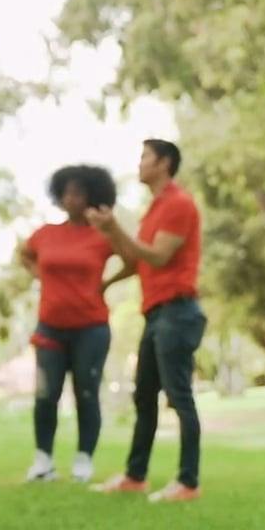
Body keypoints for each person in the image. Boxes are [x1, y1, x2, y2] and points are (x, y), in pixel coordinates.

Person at [87, 138, 205, 503]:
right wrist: (109, 240)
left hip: (177, 311)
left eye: (144, 157)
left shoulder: (178, 205)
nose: (139, 164)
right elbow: (137, 260)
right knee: (143, 397)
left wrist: (115, 229)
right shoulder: (154, 209)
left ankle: (188, 482)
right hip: (156, 313)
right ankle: (135, 476)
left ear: (164, 163)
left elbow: (156, 256)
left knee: (179, 397)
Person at [18, 164, 118, 485]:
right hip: (50, 328)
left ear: (92, 196)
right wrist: (40, 276)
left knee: (86, 393)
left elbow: (134, 258)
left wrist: (108, 283)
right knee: (46, 395)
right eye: (67, 192)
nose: (72, 198)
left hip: (91, 327)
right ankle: (43, 461)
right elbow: (24, 254)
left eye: (79, 192)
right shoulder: (45, 234)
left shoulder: (103, 235)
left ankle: (83, 459)